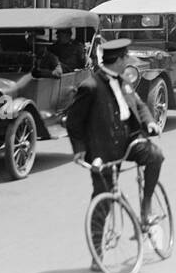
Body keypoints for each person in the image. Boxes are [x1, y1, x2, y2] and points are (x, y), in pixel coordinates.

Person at [65, 39, 165, 248]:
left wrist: (150, 123)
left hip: (130, 141)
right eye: (126, 58)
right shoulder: (90, 87)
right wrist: (80, 149)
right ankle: (97, 250)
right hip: (104, 149)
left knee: (155, 156)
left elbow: (139, 104)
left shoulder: (124, 80)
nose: (128, 61)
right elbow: (73, 120)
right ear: (118, 60)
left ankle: (146, 208)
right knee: (103, 198)